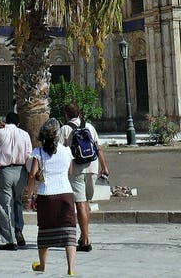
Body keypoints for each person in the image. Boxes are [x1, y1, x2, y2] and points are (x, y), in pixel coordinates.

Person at [26, 117, 76, 277]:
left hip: (46, 195)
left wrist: (29, 196)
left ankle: (42, 265)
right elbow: (69, 173)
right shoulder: (67, 151)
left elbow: (32, 175)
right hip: (66, 194)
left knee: (44, 231)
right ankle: (71, 268)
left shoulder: (38, 152)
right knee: (69, 231)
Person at [60, 101, 109, 253]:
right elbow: (98, 148)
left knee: (80, 204)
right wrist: (104, 167)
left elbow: (61, 151)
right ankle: (83, 236)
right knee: (86, 203)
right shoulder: (89, 126)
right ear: (79, 114)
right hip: (92, 168)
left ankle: (86, 240)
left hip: (76, 170)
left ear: (66, 115)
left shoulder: (65, 129)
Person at [0, 111, 32, 250]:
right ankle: (18, 230)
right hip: (21, 171)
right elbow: (29, 155)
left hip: (5, 171)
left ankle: (10, 240)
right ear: (18, 123)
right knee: (17, 202)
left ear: (5, 121)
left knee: (5, 205)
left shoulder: (0, 132)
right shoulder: (25, 134)